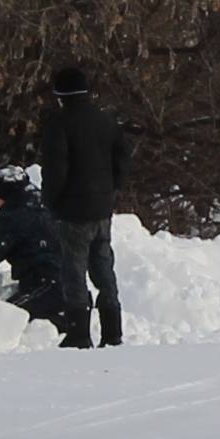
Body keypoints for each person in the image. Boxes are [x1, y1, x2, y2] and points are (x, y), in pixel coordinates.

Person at [38, 63, 134, 347]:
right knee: (104, 268)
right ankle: (112, 331)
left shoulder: (59, 124)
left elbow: (56, 169)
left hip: (72, 211)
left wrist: (51, 201)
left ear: (60, 94)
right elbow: (123, 159)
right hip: (102, 208)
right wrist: (112, 189)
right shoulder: (107, 121)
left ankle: (79, 333)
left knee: (74, 271)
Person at [0, 165, 92, 347]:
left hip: (49, 284)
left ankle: (66, 321)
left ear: (4, 195)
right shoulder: (45, 202)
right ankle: (74, 310)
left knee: (8, 315)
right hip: (74, 281)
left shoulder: (14, 216)